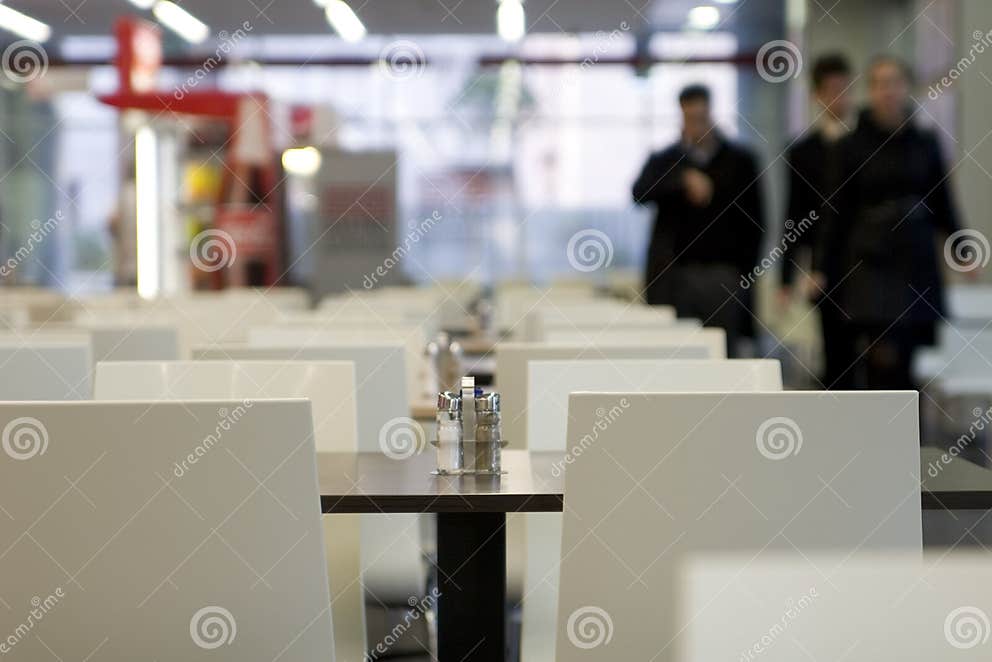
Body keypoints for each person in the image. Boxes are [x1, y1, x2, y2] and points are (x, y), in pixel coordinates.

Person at [816, 55, 968, 390]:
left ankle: (910, 438)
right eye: (881, 84)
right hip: (871, 261)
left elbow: (943, 202)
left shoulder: (925, 142)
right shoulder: (849, 146)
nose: (889, 91)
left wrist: (962, 249)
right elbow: (835, 213)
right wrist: (821, 266)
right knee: (880, 353)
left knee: (908, 355)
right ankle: (877, 435)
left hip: (915, 256)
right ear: (871, 91)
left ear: (907, 89)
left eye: (895, 83)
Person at [632, 84, 765, 356]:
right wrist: (681, 180)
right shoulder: (666, 161)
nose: (696, 126)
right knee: (677, 356)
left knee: (724, 356)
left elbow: (757, 223)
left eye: (700, 118)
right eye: (689, 118)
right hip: (674, 276)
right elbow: (639, 193)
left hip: (724, 276)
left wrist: (746, 275)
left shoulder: (740, 161)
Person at [778, 53, 855, 388]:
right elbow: (795, 214)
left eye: (845, 88)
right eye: (831, 90)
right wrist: (787, 277)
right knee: (835, 350)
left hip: (869, 262)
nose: (839, 97)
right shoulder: (803, 151)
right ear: (817, 95)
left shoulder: (867, 143)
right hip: (826, 267)